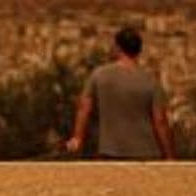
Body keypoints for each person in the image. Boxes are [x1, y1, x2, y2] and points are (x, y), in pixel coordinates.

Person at [66, 27, 176, 160]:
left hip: (110, 151)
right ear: (139, 51)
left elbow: (84, 108)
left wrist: (77, 138)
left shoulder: (99, 75)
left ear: (117, 48)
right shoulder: (151, 80)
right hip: (147, 153)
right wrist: (169, 155)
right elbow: (160, 121)